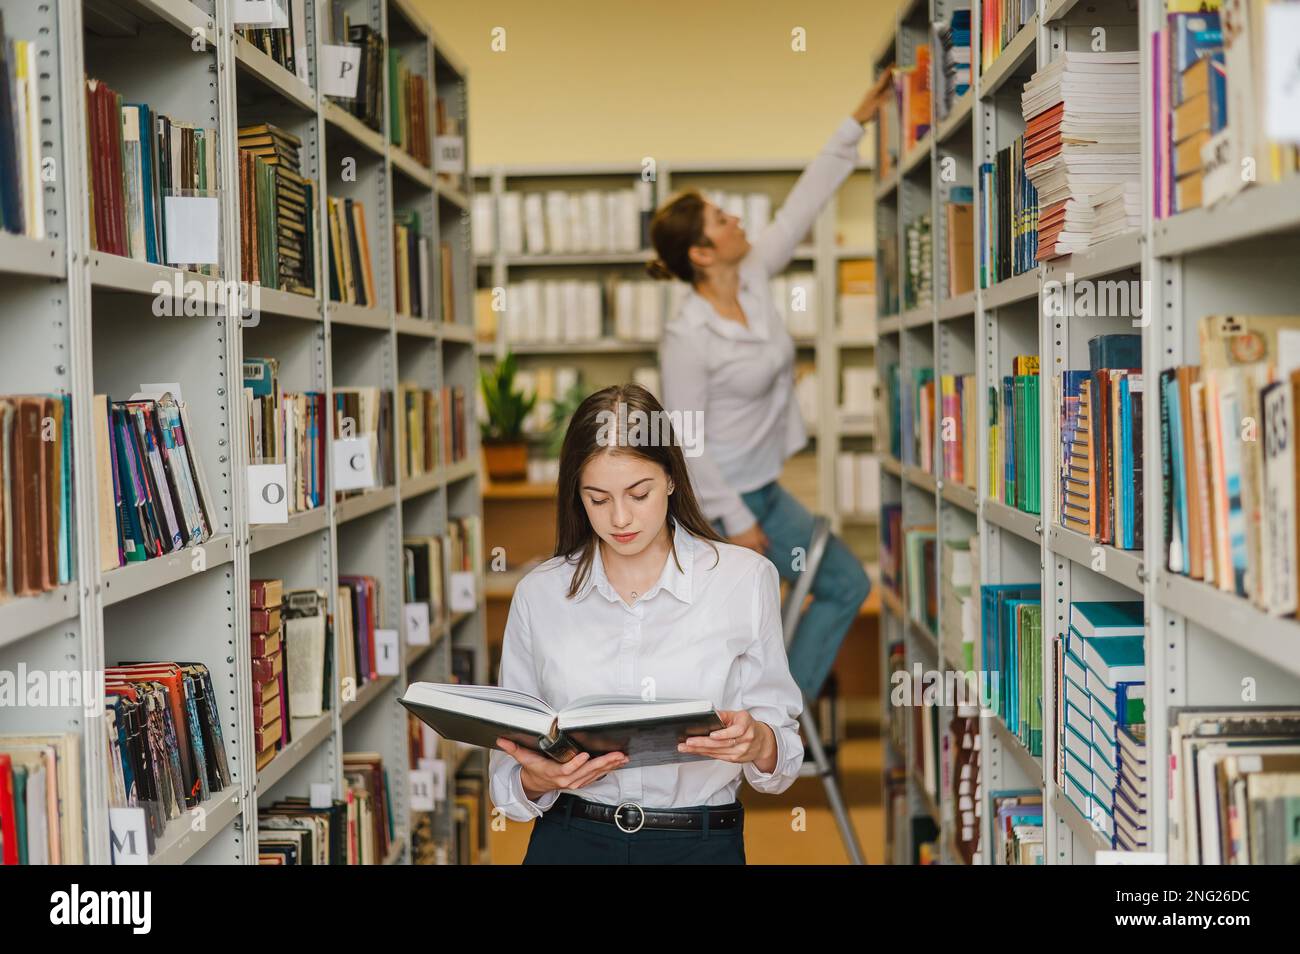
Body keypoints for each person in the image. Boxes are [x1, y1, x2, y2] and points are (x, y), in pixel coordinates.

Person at [648, 76, 892, 702]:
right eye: (723, 220)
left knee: (837, 583)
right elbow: (684, 438)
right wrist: (734, 519)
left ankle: (773, 713)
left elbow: (803, 206)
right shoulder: (687, 335)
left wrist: (854, 123)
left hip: (764, 486)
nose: (738, 222)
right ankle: (774, 718)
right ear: (702, 253)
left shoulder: (752, 276)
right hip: (721, 499)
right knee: (832, 585)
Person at [489, 383, 804, 864]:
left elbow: (781, 757)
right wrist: (535, 779)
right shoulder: (541, 593)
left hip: (699, 843)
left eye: (639, 493)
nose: (620, 518)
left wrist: (758, 740)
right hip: (571, 838)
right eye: (597, 499)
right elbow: (506, 777)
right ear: (576, 495)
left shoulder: (743, 579)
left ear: (672, 478)